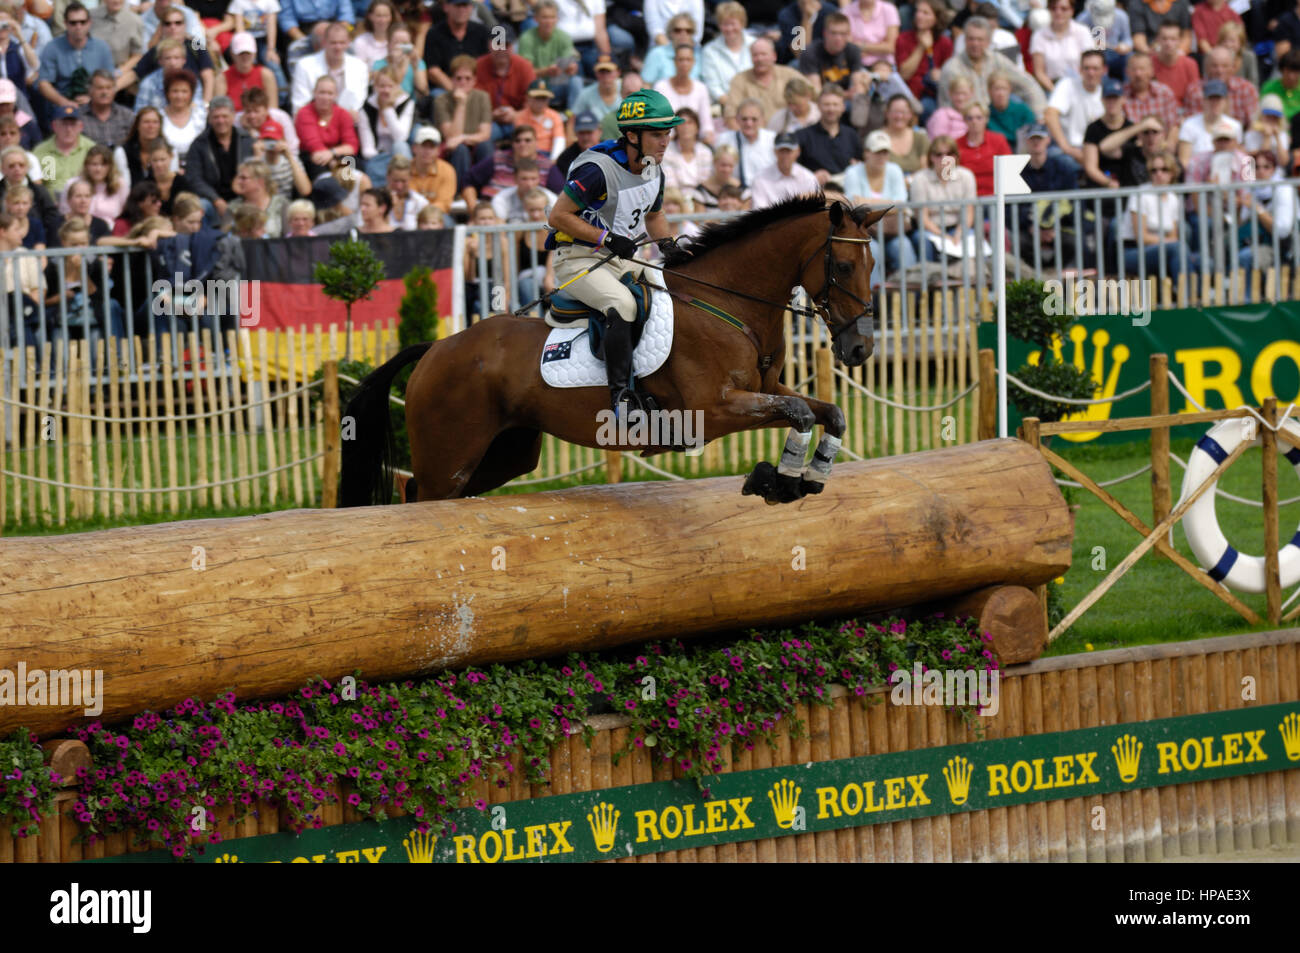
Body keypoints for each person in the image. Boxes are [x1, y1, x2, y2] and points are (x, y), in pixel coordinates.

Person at [545, 87, 680, 415]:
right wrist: (605, 238)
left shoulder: (652, 168)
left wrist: (669, 245)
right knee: (621, 304)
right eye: (657, 134)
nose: (665, 141)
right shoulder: (597, 170)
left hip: (621, 259)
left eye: (668, 134)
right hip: (578, 259)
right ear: (632, 135)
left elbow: (654, 215)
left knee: (676, 290)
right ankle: (621, 398)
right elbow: (558, 216)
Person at [843, 128, 914, 286]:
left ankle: (910, 300)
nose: (882, 157)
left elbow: (901, 204)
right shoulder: (853, 172)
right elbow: (855, 206)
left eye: (885, 153)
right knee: (871, 251)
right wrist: (890, 203)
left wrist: (866, 202)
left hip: (891, 230)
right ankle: (873, 304)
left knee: (904, 247)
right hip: (864, 231)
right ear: (866, 153)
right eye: (877, 152)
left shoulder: (894, 170)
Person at [939, 15, 1044, 117]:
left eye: (980, 39)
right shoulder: (951, 68)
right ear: (965, 40)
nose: (975, 44)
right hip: (968, 122)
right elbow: (945, 106)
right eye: (971, 39)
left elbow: (1029, 86)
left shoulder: (997, 60)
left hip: (997, 120)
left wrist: (1040, 115)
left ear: (988, 42)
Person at [1120, 150, 1197, 278]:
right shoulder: (1140, 194)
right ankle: (1186, 295)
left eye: (1164, 169)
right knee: (1178, 248)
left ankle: (1194, 293)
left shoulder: (1173, 198)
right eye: (1153, 170)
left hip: (1163, 249)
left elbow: (1173, 235)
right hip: (1133, 251)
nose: (1159, 174)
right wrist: (1168, 242)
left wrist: (1169, 242)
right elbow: (1141, 237)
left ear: (1172, 173)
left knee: (1204, 262)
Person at [909, 135, 976, 262]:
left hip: (957, 227)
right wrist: (943, 236)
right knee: (922, 239)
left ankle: (974, 280)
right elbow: (922, 218)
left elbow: (968, 212)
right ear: (931, 157)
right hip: (930, 230)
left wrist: (959, 232)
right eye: (939, 154)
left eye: (949, 153)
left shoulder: (966, 176)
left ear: (956, 156)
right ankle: (927, 278)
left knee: (972, 237)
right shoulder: (920, 179)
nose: (944, 159)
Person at [37, 2, 114, 110]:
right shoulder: (52, 48)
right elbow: (44, 83)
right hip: (62, 105)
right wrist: (64, 102)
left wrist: (92, 98)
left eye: (82, 22)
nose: (78, 27)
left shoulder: (102, 48)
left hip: (96, 105)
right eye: (73, 23)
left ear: (89, 23)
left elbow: (110, 82)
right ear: (65, 23)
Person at [1043, 49, 1106, 181]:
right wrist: (1067, 147)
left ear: (1104, 70)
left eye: (1095, 68)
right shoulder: (1067, 84)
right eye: (1086, 68)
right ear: (1079, 70)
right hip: (1067, 150)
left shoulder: (1109, 93)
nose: (1091, 73)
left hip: (1097, 152)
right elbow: (1050, 115)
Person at [435, 53, 493, 191]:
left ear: (474, 80)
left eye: (468, 78)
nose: (463, 82)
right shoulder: (441, 100)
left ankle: (485, 190)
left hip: (473, 143)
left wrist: (462, 138)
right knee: (460, 150)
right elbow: (451, 137)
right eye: (458, 78)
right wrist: (461, 104)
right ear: (452, 80)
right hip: (450, 150)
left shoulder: (483, 97)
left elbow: (485, 134)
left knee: (486, 145)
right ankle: (460, 191)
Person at [1238, 149, 1296, 277]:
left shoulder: (1283, 189)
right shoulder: (1250, 188)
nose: (1261, 171)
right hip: (1257, 242)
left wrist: (1257, 209)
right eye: (1256, 167)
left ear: (1274, 169)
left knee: (1245, 256)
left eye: (1266, 167)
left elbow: (1282, 231)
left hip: (1285, 247)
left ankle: (1248, 297)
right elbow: (1241, 224)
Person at [290, 21, 368, 115]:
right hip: (313, 120)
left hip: (348, 120)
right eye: (333, 43)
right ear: (324, 42)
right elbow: (300, 103)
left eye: (342, 43)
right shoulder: (304, 65)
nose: (338, 47)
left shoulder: (360, 67)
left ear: (348, 43)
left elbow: (358, 101)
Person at [357, 65, 415, 187]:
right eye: (382, 86)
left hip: (399, 155)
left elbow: (401, 136)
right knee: (372, 165)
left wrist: (388, 109)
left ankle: (403, 184)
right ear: (375, 87)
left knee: (400, 146)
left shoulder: (406, 103)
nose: (386, 90)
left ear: (397, 86)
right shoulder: (366, 108)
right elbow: (367, 148)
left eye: (390, 86)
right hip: (377, 156)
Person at [519, 0, 582, 109]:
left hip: (556, 84)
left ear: (557, 19)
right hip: (534, 86)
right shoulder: (527, 38)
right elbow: (525, 73)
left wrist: (570, 69)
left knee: (576, 81)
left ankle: (572, 117)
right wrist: (547, 71)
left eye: (552, 17)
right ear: (536, 19)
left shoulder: (564, 37)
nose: (549, 21)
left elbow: (566, 67)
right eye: (544, 17)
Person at [726, 37, 801, 127]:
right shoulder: (739, 80)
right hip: (754, 136)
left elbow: (812, 95)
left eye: (764, 54)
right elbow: (730, 118)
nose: (760, 59)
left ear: (774, 56)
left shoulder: (789, 74)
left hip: (788, 134)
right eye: (755, 55)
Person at [895, 0, 952, 119]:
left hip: (931, 93)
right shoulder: (903, 38)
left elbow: (950, 75)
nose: (919, 15)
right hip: (908, 93)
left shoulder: (945, 43)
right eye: (918, 11)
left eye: (925, 13)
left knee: (928, 106)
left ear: (936, 18)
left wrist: (941, 75)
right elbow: (904, 74)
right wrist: (921, 47)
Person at [295, 74, 358, 180]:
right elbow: (313, 144)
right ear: (314, 93)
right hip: (312, 155)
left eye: (330, 93)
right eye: (322, 93)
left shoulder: (343, 114)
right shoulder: (304, 113)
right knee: (318, 162)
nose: (325, 97)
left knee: (350, 160)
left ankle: (350, 189)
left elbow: (351, 146)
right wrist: (331, 161)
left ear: (336, 95)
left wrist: (332, 154)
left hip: (335, 154)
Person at [796, 84, 859, 186]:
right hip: (814, 192)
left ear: (843, 107)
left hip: (847, 193)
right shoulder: (803, 136)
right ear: (818, 106)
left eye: (835, 104)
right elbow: (793, 169)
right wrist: (811, 176)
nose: (831, 109)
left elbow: (860, 164)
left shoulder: (852, 135)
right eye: (826, 104)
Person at [1181, 46, 1258, 129]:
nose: (1220, 71)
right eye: (1214, 66)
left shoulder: (1247, 89)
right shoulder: (1195, 90)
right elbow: (1191, 125)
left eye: (1225, 66)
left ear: (1233, 67)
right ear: (1206, 67)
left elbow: (1253, 124)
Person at [424, 0, 490, 94]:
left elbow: (487, 64)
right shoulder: (434, 33)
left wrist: (470, 88)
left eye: (465, 5)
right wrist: (454, 89)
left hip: (476, 86)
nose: (462, 10)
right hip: (444, 88)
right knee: (436, 96)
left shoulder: (482, 31)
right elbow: (433, 69)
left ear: (471, 8)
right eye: (457, 6)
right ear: (446, 7)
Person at [476, 42, 537, 141]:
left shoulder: (524, 66)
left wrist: (517, 115)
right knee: (483, 138)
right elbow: (472, 101)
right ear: (489, 46)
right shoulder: (478, 66)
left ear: (512, 47)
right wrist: (490, 115)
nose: (501, 50)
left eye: (506, 45)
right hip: (489, 121)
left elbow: (534, 99)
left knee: (528, 136)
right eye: (497, 45)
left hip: (519, 118)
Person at [700, 1, 752, 115]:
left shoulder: (755, 45)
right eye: (725, 24)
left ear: (743, 23)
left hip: (756, 105)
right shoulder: (709, 51)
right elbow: (713, 87)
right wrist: (736, 107)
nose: (729, 29)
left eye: (733, 24)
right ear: (719, 25)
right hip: (725, 108)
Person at [1122, 50, 1179, 154]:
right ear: (1127, 72)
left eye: (1142, 69)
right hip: (1132, 151)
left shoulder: (1164, 93)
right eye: (1134, 69)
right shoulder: (1121, 96)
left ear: (1152, 71)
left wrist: (1169, 146)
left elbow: (1173, 125)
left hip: (1162, 149)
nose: (1138, 74)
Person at [1029, 0, 1092, 92]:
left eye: (1064, 9)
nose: (1058, 13)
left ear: (1072, 10)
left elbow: (1089, 63)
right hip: (1051, 86)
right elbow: (1039, 72)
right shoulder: (1039, 35)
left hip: (1080, 85)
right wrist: (1056, 92)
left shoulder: (1083, 32)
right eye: (1054, 9)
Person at [1178, 79, 1241, 170]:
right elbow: (1184, 161)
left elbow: (1237, 156)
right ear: (1204, 100)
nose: (1215, 103)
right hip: (1197, 176)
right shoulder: (1189, 125)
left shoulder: (1235, 126)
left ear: (1225, 101)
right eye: (1211, 99)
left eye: (1218, 99)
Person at [654, 42, 712, 142]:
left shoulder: (701, 88)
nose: (684, 63)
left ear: (694, 62)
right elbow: (657, 123)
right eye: (681, 59)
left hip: (694, 143)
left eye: (688, 60)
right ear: (674, 62)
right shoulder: (661, 87)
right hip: (666, 143)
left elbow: (706, 125)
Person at [797, 11, 865, 94]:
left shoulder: (854, 50)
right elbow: (816, 92)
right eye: (833, 33)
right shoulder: (811, 52)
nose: (838, 38)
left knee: (865, 81)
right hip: (822, 100)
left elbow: (857, 87)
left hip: (846, 99)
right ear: (824, 33)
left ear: (848, 34)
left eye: (843, 34)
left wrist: (854, 92)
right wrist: (846, 95)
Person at [34, 103, 95, 196]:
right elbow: (36, 185)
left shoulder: (91, 150)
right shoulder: (40, 151)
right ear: (54, 126)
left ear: (81, 127)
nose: (68, 129)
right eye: (64, 124)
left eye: (73, 124)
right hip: (51, 206)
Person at [751, 130, 819, 209]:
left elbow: (815, 210)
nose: (785, 155)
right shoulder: (760, 179)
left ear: (798, 152)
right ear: (775, 151)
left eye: (789, 151)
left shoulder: (809, 178)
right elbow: (759, 212)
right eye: (781, 150)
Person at [58, 142, 126, 221]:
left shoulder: (120, 184)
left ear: (110, 166)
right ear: (86, 165)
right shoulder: (72, 184)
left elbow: (123, 213)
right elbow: (65, 212)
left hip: (111, 230)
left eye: (103, 164)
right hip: (79, 228)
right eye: (94, 164)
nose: (98, 169)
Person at [217, 31, 280, 113]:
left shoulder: (266, 75)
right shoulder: (222, 78)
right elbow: (219, 110)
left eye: (248, 53)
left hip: (261, 120)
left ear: (255, 53)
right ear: (232, 54)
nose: (245, 57)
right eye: (240, 53)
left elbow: (273, 108)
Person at [514, 185, 555, 309]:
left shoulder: (554, 228)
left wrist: (548, 279)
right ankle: (535, 320)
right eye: (532, 210)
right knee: (526, 284)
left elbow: (553, 262)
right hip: (527, 279)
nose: (536, 215)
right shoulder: (519, 231)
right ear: (525, 209)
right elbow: (515, 264)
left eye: (540, 209)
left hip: (553, 277)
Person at [956, 100, 1008, 196]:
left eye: (979, 118)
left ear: (986, 119)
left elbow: (1009, 171)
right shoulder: (956, 144)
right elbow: (948, 175)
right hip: (967, 199)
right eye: (969, 118)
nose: (974, 121)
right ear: (964, 120)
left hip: (996, 198)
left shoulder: (999, 140)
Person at [144, 138, 205, 215]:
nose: (159, 165)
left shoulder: (182, 183)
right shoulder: (145, 185)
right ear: (150, 160)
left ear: (171, 157)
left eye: (163, 159)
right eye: (155, 160)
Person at [227, 158, 287, 236]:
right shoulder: (233, 206)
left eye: (243, 178)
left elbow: (290, 238)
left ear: (260, 181)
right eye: (239, 178)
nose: (238, 181)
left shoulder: (281, 204)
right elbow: (225, 237)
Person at [1077, 0, 1132, 81]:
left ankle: (1127, 86)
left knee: (1129, 57)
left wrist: (1124, 46)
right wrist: (1091, 44)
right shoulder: (1082, 19)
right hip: (1093, 54)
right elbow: (1078, 43)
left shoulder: (1122, 16)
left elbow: (1127, 39)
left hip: (1115, 54)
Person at [728, 98, 777, 189]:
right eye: (744, 119)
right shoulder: (725, 140)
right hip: (736, 193)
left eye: (754, 119)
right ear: (737, 119)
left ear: (762, 120)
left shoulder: (773, 140)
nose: (749, 124)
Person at [1149, 19, 1197, 111]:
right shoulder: (1149, 63)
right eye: (1164, 38)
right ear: (1158, 39)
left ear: (1179, 40)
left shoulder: (1190, 64)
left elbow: (1194, 95)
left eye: (1173, 39)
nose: (1168, 43)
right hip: (1157, 109)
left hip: (1183, 110)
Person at [659, 105, 711, 191]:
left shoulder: (705, 152)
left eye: (690, 122)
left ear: (697, 127)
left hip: (701, 199)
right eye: (681, 123)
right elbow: (670, 185)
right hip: (675, 199)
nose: (685, 127)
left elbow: (705, 183)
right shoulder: (666, 151)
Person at [641, 12, 699, 87]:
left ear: (693, 34)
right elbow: (645, 85)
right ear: (670, 33)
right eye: (677, 30)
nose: (683, 34)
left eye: (688, 31)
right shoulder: (657, 54)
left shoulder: (699, 55)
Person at [77, 70, 133, 148]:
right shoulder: (78, 117)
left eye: (108, 88)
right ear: (90, 90)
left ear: (114, 91)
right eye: (100, 88)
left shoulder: (127, 115)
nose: (104, 92)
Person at [408, 126, 456, 214]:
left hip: (436, 215)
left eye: (432, 147)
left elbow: (444, 204)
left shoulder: (447, 170)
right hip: (410, 214)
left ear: (438, 150)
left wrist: (425, 213)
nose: (427, 151)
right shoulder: (405, 169)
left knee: (446, 223)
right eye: (424, 146)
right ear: (414, 148)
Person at [374, 23, 428, 100]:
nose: (400, 47)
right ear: (388, 44)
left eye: (405, 44)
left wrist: (415, 67)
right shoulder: (378, 65)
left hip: (410, 106)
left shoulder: (418, 63)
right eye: (396, 43)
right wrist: (395, 65)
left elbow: (424, 91)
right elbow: (380, 92)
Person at [514, 79, 567, 158]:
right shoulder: (520, 116)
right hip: (527, 155)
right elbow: (520, 142)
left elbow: (559, 140)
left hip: (548, 155)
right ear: (528, 98)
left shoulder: (555, 116)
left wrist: (554, 160)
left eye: (544, 98)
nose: (540, 102)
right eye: (537, 98)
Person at [89, 0, 144, 72]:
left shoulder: (135, 21)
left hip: (118, 73)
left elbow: (137, 55)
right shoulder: (89, 16)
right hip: (90, 70)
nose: (116, 1)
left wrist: (119, 72)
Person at [844, 0, 899, 69]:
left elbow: (891, 47)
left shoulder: (889, 9)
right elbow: (847, 45)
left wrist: (860, 46)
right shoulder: (846, 11)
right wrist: (880, 47)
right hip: (857, 64)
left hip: (885, 65)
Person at [881, 93, 927, 175]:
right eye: (895, 112)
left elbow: (925, 170)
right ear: (886, 113)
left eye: (903, 112)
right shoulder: (878, 138)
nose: (899, 116)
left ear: (910, 114)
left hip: (915, 185)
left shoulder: (920, 138)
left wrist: (908, 181)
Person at [987, 71, 1034, 146]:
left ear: (1010, 90)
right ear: (989, 91)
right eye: (997, 89)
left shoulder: (1022, 110)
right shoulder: (985, 114)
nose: (1000, 93)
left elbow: (1032, 132)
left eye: (1004, 89)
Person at [572, 54, 622, 123]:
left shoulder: (628, 88)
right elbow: (572, 120)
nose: (605, 76)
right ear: (596, 73)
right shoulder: (586, 93)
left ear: (618, 72)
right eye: (601, 72)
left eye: (609, 72)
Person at [1246, 96, 1290, 170]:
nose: (1271, 120)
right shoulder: (1251, 134)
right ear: (1261, 116)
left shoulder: (1282, 135)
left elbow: (1284, 162)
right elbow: (1260, 163)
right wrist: (1267, 137)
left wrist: (1277, 138)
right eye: (1268, 116)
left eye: (1275, 117)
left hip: (1277, 175)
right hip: (1256, 175)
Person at [692, 141, 740, 209]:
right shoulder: (701, 192)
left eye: (730, 166)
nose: (726, 169)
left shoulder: (742, 190)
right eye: (723, 165)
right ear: (714, 163)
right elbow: (699, 218)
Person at [385, 155, 428, 229]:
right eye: (395, 181)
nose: (399, 186)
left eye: (403, 181)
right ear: (388, 177)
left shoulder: (420, 202)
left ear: (411, 178)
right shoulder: (378, 201)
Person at [927, 73, 971, 140]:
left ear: (971, 93)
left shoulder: (974, 115)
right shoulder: (941, 115)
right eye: (957, 93)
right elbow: (938, 143)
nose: (960, 98)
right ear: (950, 93)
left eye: (964, 93)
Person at [352, 0, 395, 69]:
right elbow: (359, 70)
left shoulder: (397, 40)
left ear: (391, 17)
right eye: (378, 16)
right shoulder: (361, 41)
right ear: (370, 16)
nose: (382, 20)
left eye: (386, 16)